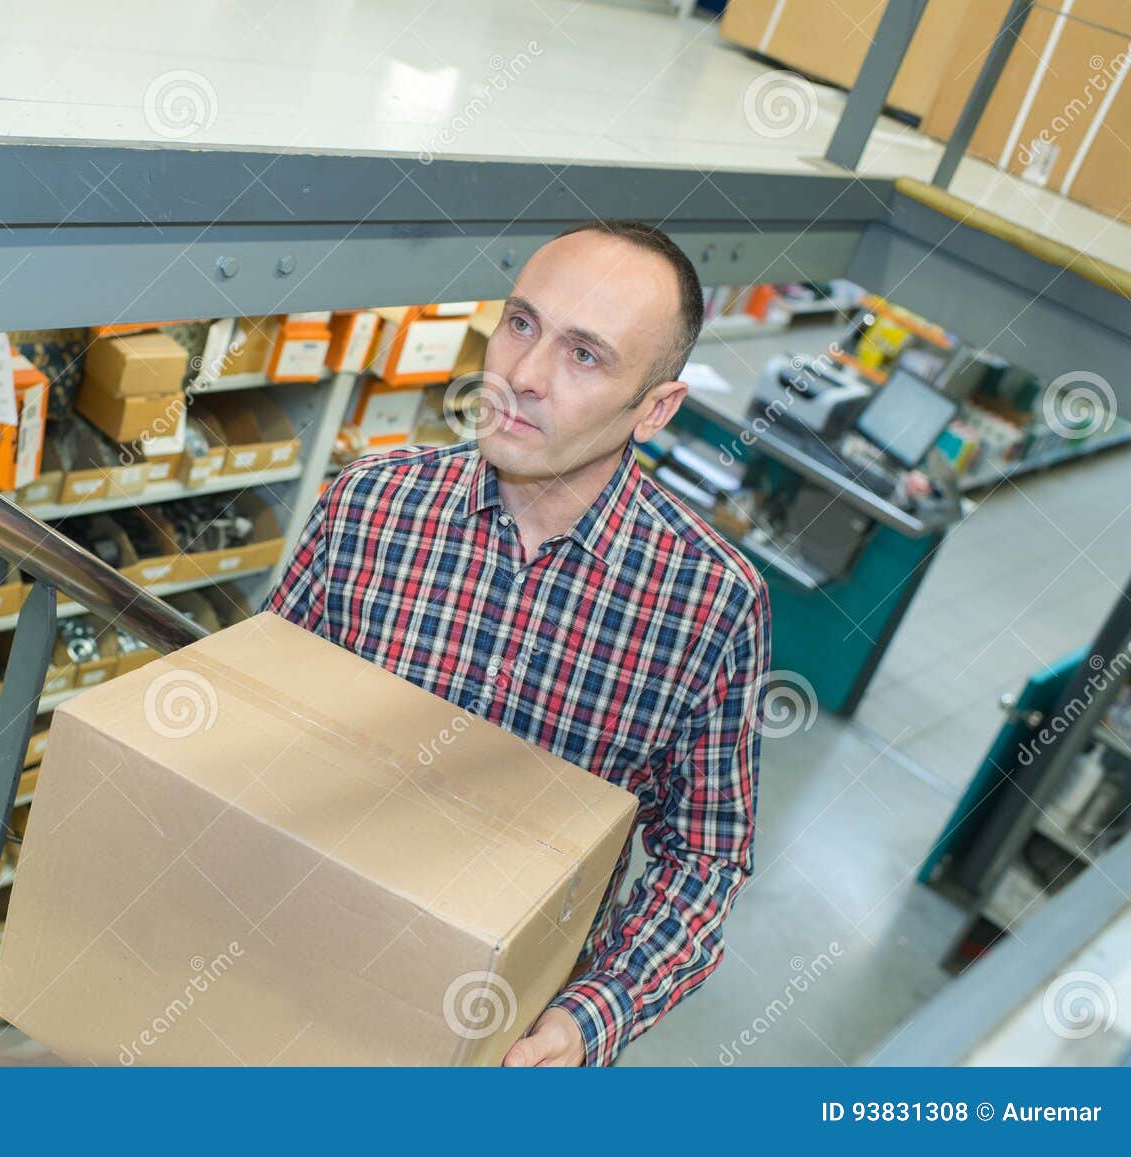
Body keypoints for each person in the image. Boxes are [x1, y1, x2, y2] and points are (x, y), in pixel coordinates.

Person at [264, 220, 770, 1066]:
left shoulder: (709, 601)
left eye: (584, 356)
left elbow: (706, 857)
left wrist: (588, 1019)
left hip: (495, 1033)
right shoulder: (368, 507)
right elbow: (265, 718)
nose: (523, 377)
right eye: (521, 324)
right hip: (299, 963)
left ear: (654, 408)